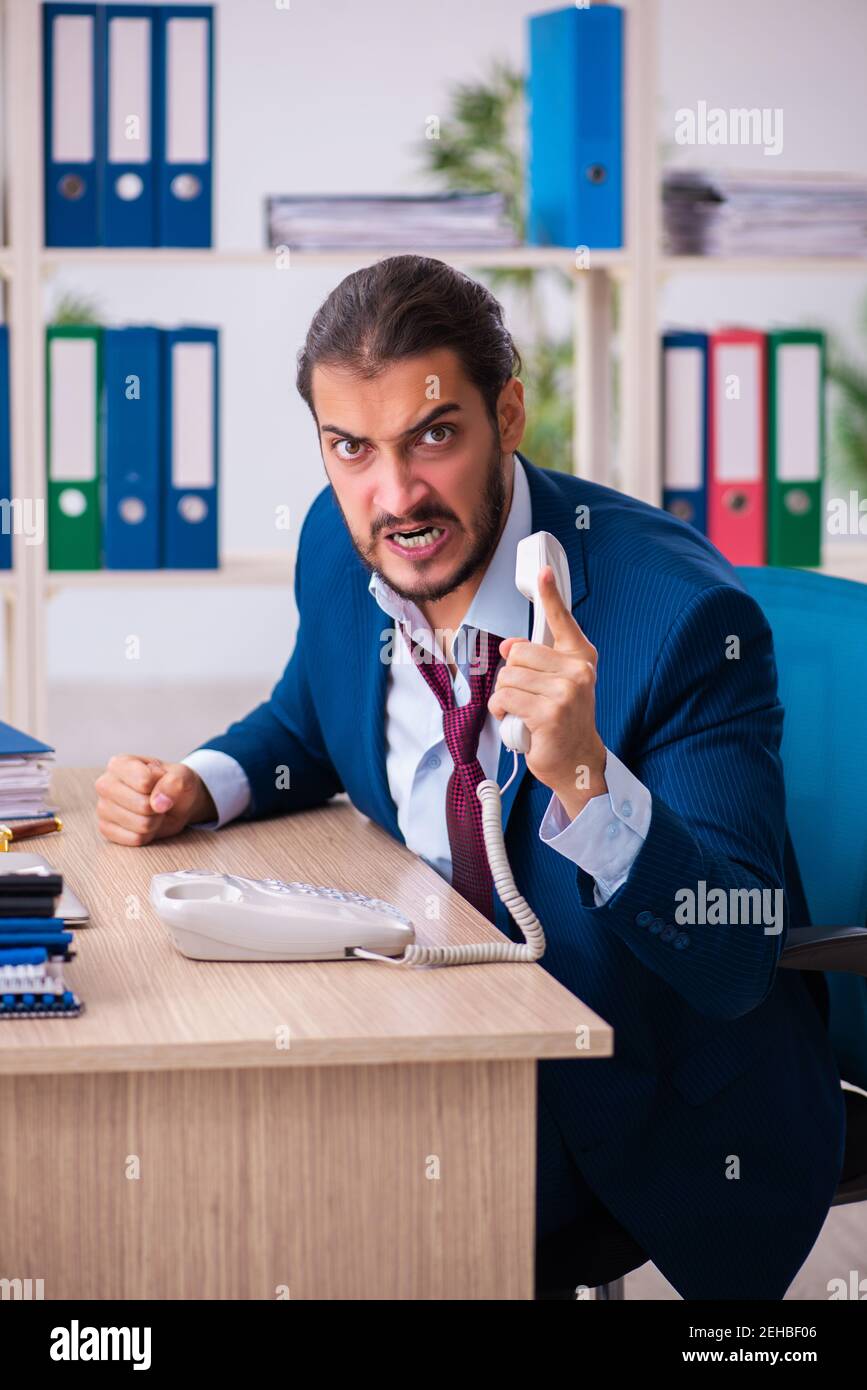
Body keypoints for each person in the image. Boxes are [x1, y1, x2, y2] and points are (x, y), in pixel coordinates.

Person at [96, 255, 844, 1300]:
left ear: (510, 412)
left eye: (434, 437)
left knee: (334, 1212)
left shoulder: (677, 622)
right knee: (200, 1156)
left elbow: (731, 957)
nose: (393, 494)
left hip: (637, 1093)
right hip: (434, 1033)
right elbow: (308, 720)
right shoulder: (341, 540)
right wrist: (202, 782)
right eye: (351, 447)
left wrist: (586, 776)